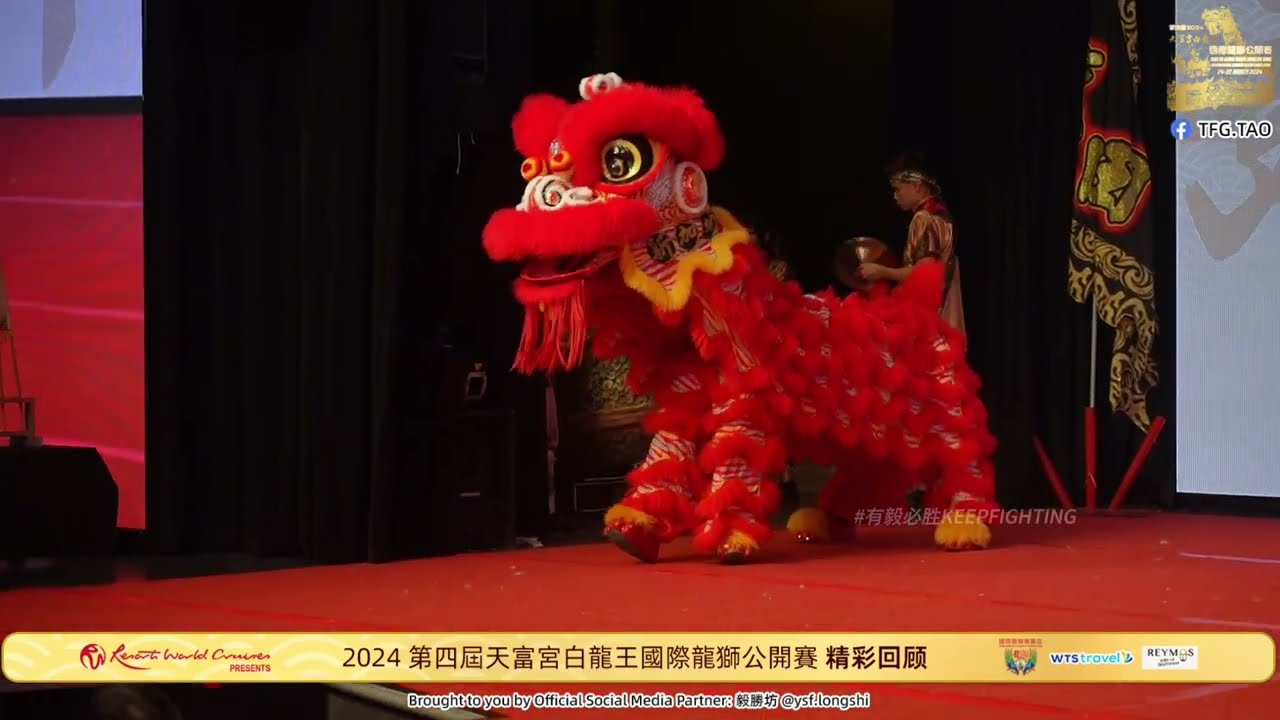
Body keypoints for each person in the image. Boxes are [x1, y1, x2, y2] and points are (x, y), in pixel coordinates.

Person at [858, 152, 966, 335]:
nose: (895, 196)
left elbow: (923, 273)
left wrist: (881, 271)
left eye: (898, 189)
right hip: (948, 315)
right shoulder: (944, 217)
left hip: (927, 319)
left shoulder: (923, 219)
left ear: (916, 186)